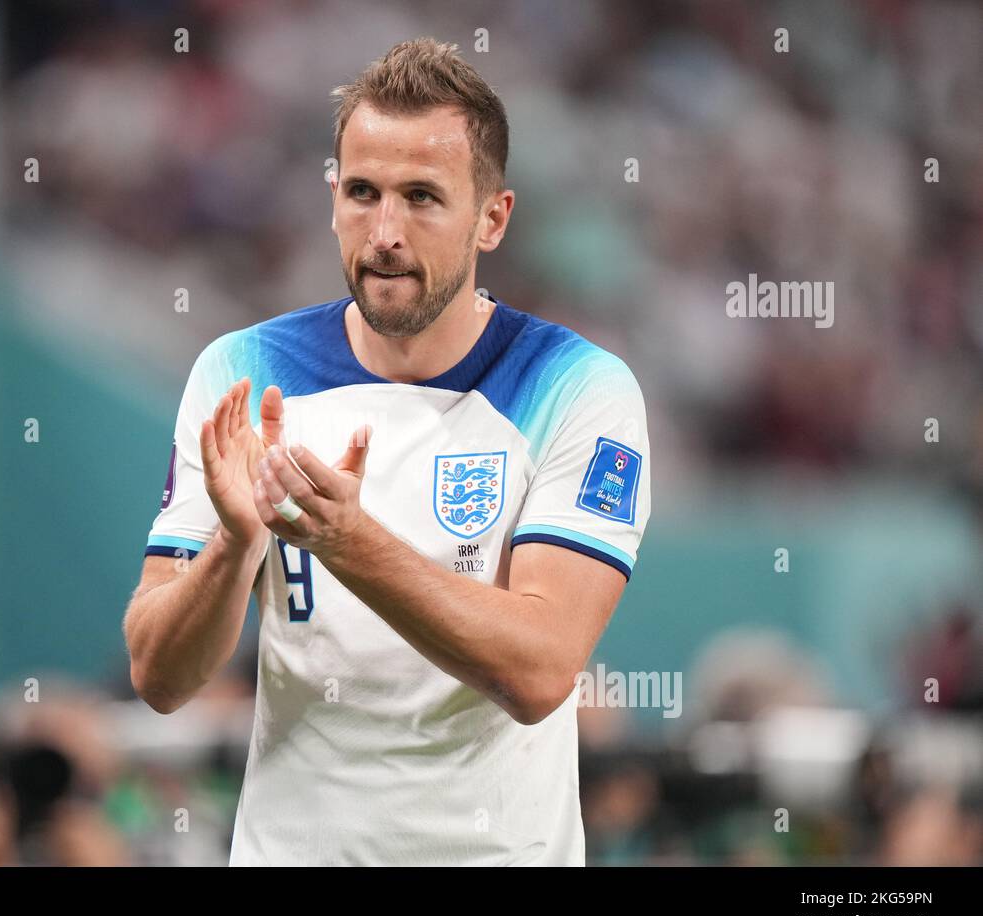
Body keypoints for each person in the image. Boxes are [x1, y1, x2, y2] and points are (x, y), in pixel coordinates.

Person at [123, 38, 651, 865]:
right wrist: (232, 545)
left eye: (422, 197)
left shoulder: (578, 386)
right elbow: (158, 676)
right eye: (362, 192)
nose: (386, 232)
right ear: (332, 196)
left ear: (493, 218)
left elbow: (543, 671)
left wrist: (347, 539)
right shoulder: (241, 374)